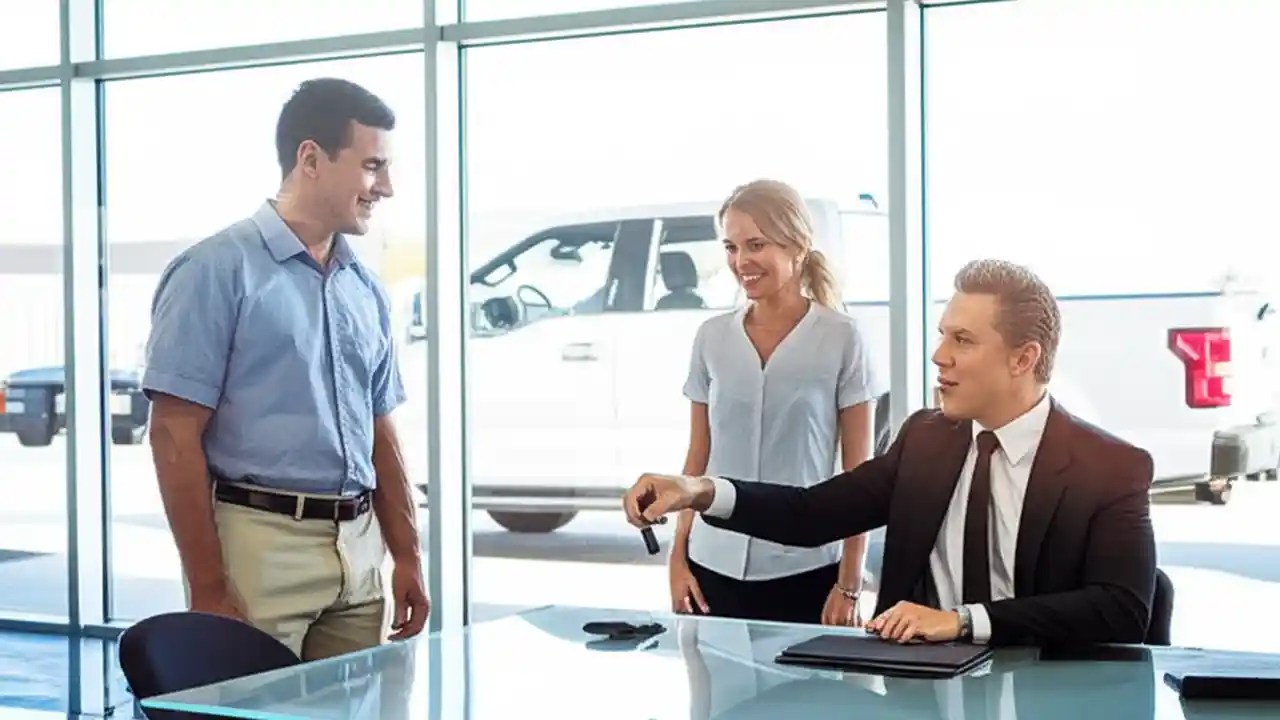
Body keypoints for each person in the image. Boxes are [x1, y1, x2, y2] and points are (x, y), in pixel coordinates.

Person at [625, 258, 1157, 648]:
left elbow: (1122, 610)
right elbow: (811, 514)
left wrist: (962, 620)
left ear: (1023, 358)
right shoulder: (926, 438)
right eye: (943, 334)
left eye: (963, 340)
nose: (938, 355)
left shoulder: (1108, 467)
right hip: (919, 690)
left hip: (1044, 692)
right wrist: (697, 490)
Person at [142, 77, 428, 661]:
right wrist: (208, 587)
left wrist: (407, 554)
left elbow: (381, 431)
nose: (388, 187)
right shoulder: (214, 270)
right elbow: (173, 435)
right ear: (311, 159)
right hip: (258, 552)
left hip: (358, 554)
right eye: (373, 166)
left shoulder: (364, 288)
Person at [669, 179, 880, 626]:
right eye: (731, 247)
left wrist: (850, 581)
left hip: (805, 571)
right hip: (712, 566)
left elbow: (860, 478)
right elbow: (697, 457)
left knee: (806, 696)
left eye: (756, 244)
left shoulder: (843, 337)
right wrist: (678, 558)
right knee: (714, 698)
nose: (740, 261)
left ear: (797, 246)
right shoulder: (711, 338)